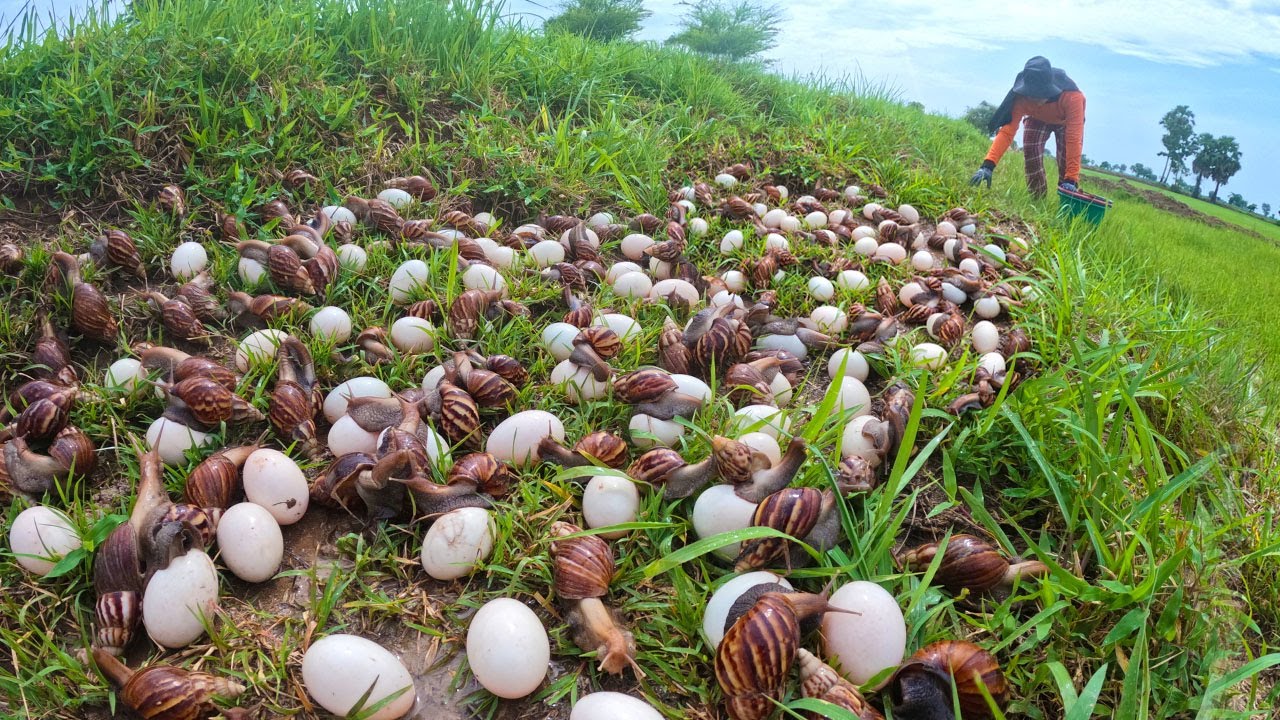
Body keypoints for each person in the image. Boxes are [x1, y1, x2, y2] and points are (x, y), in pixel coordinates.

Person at [969, 56, 1086, 197]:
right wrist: (987, 166)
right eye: (1032, 96)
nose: (1036, 101)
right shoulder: (1021, 97)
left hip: (1064, 123)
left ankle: (1067, 203)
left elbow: (1074, 138)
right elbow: (1007, 132)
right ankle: (1037, 199)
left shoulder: (1072, 97)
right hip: (1036, 118)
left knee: (1066, 165)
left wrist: (1071, 179)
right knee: (1031, 152)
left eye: (1041, 95)